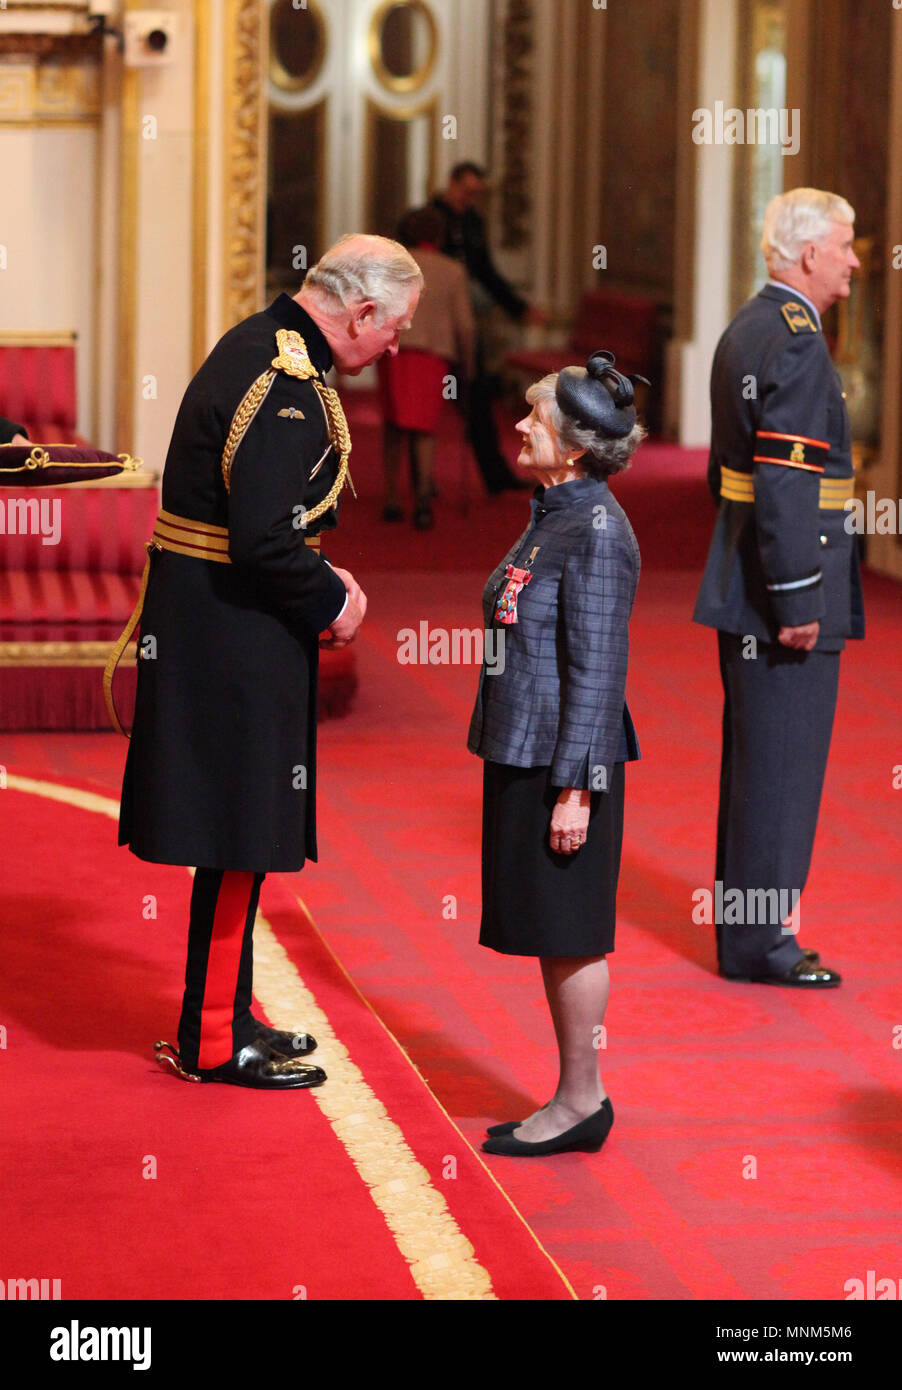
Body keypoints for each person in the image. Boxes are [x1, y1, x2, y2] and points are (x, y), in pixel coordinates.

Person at [115, 234, 423, 1088]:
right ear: (361, 311)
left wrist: (320, 574)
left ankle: (230, 1009)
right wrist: (335, 603)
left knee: (240, 830)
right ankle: (214, 1039)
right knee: (239, 830)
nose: (396, 346)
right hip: (233, 630)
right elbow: (261, 543)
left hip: (222, 620)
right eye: (395, 327)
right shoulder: (285, 383)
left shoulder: (270, 345)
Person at [468, 351, 645, 1157]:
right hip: (527, 747)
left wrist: (577, 789)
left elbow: (600, 670)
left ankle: (581, 1101)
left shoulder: (598, 529)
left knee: (571, 929)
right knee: (550, 927)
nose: (517, 425)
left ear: (573, 446)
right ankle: (574, 1096)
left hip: (562, 762)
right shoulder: (556, 510)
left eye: (533, 418)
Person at [693, 188, 864, 987]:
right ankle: (762, 944)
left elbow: (723, 473)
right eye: (845, 246)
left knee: (758, 766)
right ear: (808, 254)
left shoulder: (750, 326)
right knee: (781, 772)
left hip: (747, 573)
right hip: (784, 588)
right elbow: (786, 484)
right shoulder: (796, 343)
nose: (855, 261)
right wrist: (798, 598)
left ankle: (748, 935)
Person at [430, 161, 547, 493]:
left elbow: (486, 272)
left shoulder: (474, 222)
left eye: (476, 194)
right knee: (425, 405)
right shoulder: (429, 217)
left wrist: (519, 307)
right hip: (433, 324)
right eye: (467, 192)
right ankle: (423, 480)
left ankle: (495, 475)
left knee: (477, 396)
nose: (471, 199)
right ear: (452, 183)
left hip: (463, 323)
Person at [377, 204, 476, 529]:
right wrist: (468, 363)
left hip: (394, 351)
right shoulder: (452, 270)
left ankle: (393, 498)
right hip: (433, 356)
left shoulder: (392, 267)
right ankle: (422, 499)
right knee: (424, 426)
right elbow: (465, 325)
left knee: (393, 423)